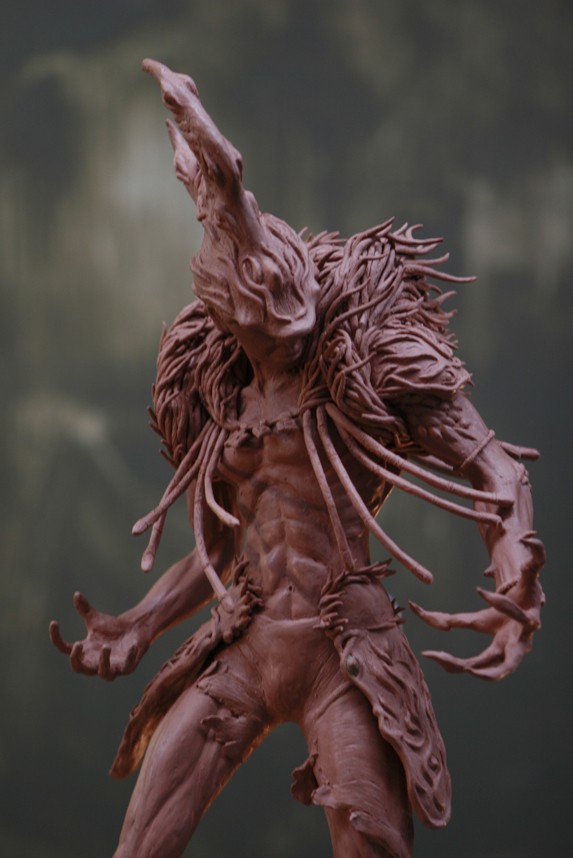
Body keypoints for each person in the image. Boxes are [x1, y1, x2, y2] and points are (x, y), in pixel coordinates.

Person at [50, 60, 545, 858]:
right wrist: (139, 623)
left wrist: (515, 572)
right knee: (140, 842)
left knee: (369, 841)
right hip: (243, 647)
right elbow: (219, 550)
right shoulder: (220, 398)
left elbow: (496, 470)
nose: (279, 327)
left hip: (343, 653)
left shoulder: (366, 365)